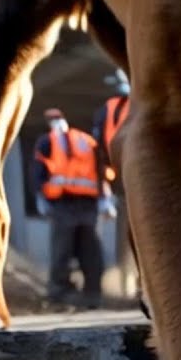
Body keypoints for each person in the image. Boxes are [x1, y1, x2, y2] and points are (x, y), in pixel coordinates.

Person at [31, 108, 114, 308]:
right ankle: (93, 295)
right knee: (90, 250)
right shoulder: (87, 141)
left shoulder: (47, 141)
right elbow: (102, 170)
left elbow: (38, 171)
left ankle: (59, 296)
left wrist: (40, 196)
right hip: (89, 204)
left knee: (62, 250)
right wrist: (105, 198)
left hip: (63, 203)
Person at [91, 70, 138, 300]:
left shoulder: (109, 110)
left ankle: (134, 283)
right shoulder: (130, 105)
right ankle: (131, 284)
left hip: (129, 176)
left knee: (130, 233)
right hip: (129, 177)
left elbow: (99, 148)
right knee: (133, 232)